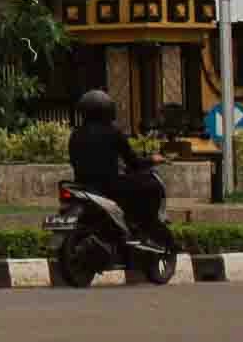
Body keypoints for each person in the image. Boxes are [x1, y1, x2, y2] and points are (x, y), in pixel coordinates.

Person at [66, 88, 170, 248]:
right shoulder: (112, 132)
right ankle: (145, 232)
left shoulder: (75, 134)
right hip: (109, 186)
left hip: (84, 185)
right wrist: (152, 159)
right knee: (152, 187)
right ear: (107, 110)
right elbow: (133, 162)